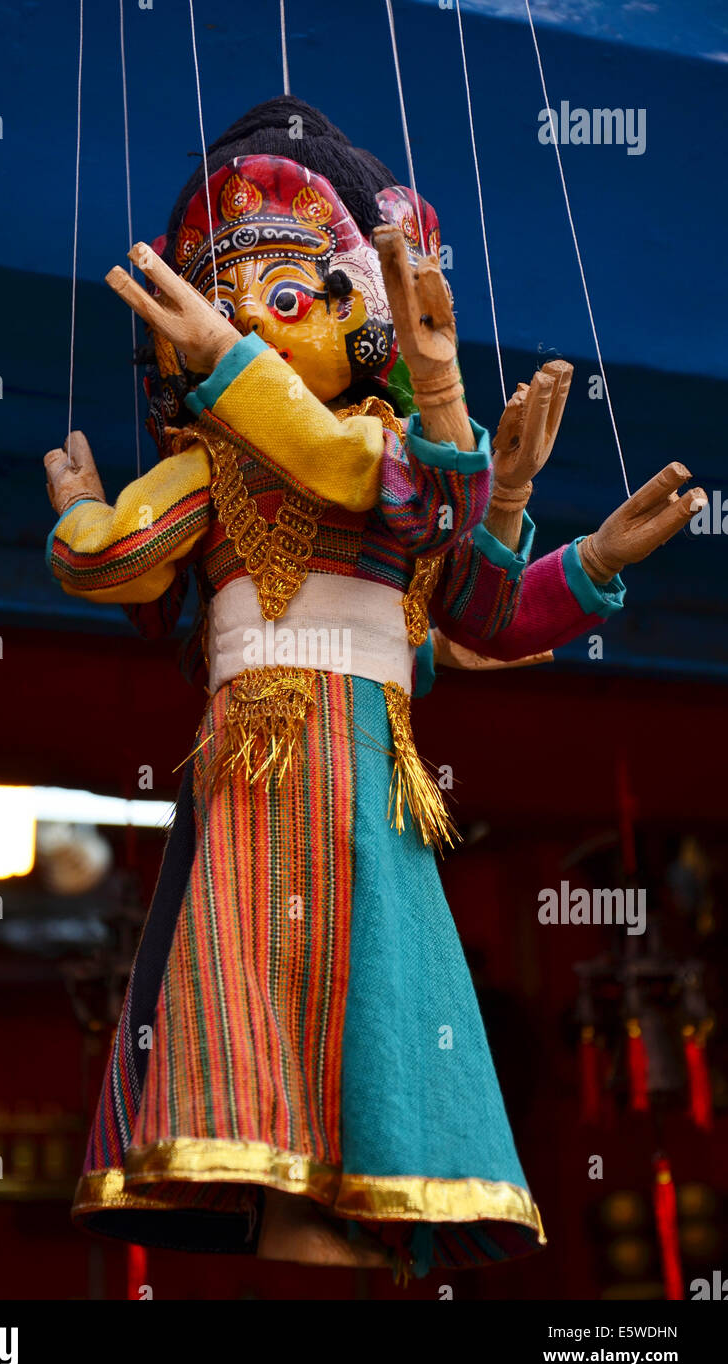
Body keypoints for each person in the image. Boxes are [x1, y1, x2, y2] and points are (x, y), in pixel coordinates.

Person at [43, 100, 703, 1276]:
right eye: (232, 306)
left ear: (367, 324)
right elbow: (114, 558)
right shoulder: (217, 469)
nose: (249, 325)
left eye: (290, 299)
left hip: (370, 772)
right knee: (261, 992)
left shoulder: (390, 468)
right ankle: (294, 1202)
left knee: (377, 1009)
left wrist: (590, 559)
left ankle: (362, 1198)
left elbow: (475, 596)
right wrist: (83, 515)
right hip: (265, 764)